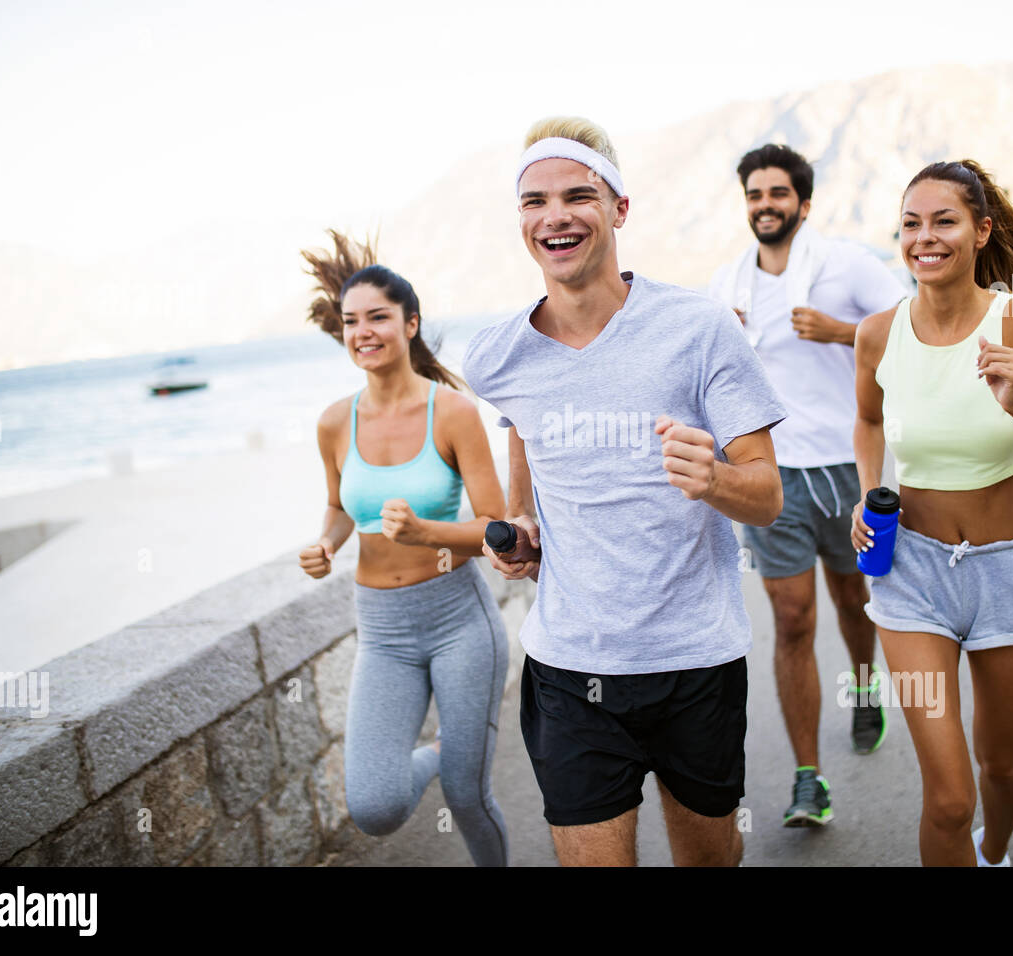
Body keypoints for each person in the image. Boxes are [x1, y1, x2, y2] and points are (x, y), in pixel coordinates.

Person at [462, 117, 786, 867]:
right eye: (534, 202)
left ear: (618, 208)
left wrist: (714, 481)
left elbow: (766, 495)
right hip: (572, 668)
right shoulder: (499, 354)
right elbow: (523, 435)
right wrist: (518, 521)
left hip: (695, 661)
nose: (556, 216)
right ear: (521, 221)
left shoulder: (698, 328)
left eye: (579, 195)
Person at [850, 160, 1013, 866]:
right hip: (911, 577)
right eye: (910, 224)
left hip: (1007, 574)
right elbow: (866, 422)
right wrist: (868, 490)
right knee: (951, 800)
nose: (924, 238)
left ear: (982, 230)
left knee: (1003, 768)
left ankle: (997, 855)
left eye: (944, 221)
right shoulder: (877, 334)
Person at [709, 144, 907, 828]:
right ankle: (808, 780)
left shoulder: (846, 265)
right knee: (792, 620)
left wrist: (841, 331)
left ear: (804, 204)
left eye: (776, 193)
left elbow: (913, 332)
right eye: (754, 194)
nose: (764, 204)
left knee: (854, 600)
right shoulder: (727, 287)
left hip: (850, 468)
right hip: (771, 478)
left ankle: (862, 684)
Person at [298, 232, 510, 866]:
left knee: (469, 799)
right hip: (383, 630)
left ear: (409, 324)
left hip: (459, 621)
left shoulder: (453, 413)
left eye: (378, 318)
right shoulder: (335, 422)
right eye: (350, 322)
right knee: (375, 806)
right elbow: (340, 507)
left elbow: (499, 530)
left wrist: (429, 534)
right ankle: (446, 752)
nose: (362, 332)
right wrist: (325, 543)